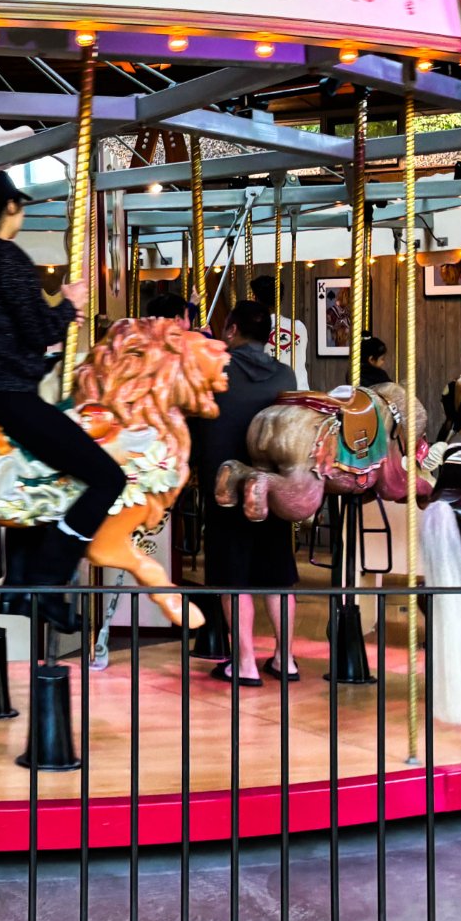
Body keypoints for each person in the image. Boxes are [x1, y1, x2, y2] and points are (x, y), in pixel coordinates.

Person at [0, 170, 125, 633]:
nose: (22, 212)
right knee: (109, 477)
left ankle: (19, 583)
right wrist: (68, 304)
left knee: (45, 478)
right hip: (8, 395)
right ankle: (47, 582)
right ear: (10, 207)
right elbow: (39, 330)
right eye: (20, 205)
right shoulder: (7, 258)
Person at [192, 299, 298, 684]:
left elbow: (195, 422)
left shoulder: (216, 368)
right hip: (271, 486)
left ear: (232, 330)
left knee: (232, 578)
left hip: (226, 487)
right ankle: (285, 659)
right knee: (277, 576)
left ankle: (245, 663)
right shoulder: (285, 375)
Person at [252, 275, 310, 392]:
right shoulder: (299, 327)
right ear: (281, 299)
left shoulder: (253, 329)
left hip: (271, 394)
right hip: (301, 391)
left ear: (255, 299)